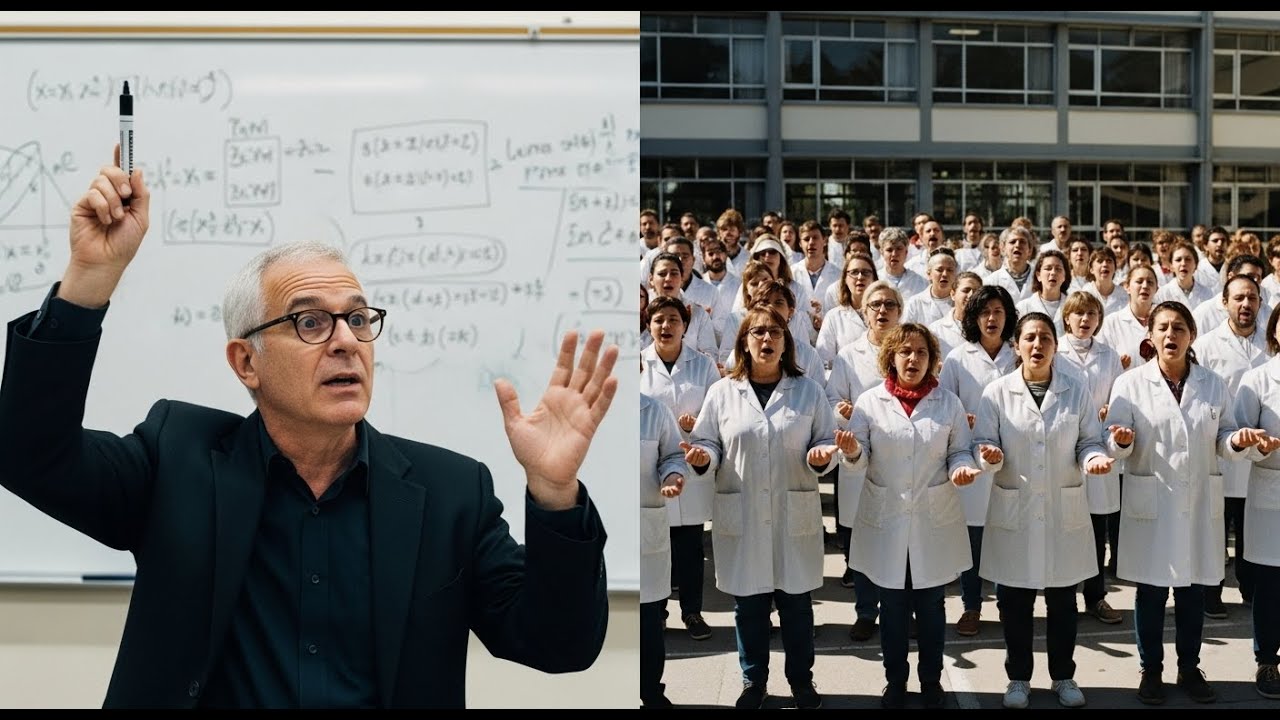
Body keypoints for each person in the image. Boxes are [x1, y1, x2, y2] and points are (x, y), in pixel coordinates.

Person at [0, 157, 619, 709]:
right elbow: (30, 454)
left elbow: (558, 645)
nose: (347, 340)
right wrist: (88, 282)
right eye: (311, 322)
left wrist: (554, 492)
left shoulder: (451, 493)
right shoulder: (177, 459)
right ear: (247, 362)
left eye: (357, 318)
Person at [684, 306, 854, 710]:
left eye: (774, 332)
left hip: (792, 513)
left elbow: (825, 444)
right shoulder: (723, 392)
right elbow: (708, 441)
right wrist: (701, 458)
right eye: (757, 332)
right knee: (749, 607)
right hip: (741, 513)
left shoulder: (808, 390)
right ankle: (752, 681)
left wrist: (821, 458)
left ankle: (802, 682)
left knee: (796, 606)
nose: (766, 339)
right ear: (744, 341)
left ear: (785, 341)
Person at [1106, 301, 1272, 705]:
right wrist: (1122, 442)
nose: (1170, 335)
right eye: (1162, 327)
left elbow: (1225, 435)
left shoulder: (1212, 384)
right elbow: (1113, 440)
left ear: (1191, 335)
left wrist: (1237, 441)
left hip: (1198, 502)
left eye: (1179, 328)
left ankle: (1188, 666)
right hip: (1153, 501)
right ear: (1150, 336)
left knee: (1193, 592)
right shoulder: (1130, 384)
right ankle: (1152, 670)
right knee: (1150, 592)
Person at [973, 312, 1115, 709]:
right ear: (1016, 345)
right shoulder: (996, 393)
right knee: (1014, 602)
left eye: (1046, 338)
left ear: (1056, 345)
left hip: (1060, 507)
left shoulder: (1076, 390)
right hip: (1014, 508)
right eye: (1030, 338)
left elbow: (1089, 440)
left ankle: (1063, 676)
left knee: (1062, 601)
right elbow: (983, 441)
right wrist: (989, 455)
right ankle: (1018, 677)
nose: (1038, 345)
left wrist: (1093, 460)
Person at [844, 323, 981, 709]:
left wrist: (961, 468)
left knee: (932, 607)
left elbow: (960, 450)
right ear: (891, 357)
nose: (913, 359)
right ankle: (895, 682)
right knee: (892, 608)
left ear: (931, 359)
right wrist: (853, 451)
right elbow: (859, 459)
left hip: (931, 518)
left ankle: (931, 682)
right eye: (905, 351)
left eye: (921, 352)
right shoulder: (870, 403)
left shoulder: (948, 403)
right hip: (886, 517)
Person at [938, 284, 1019, 637]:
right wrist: (964, 419)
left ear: (1008, 317)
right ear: (973, 317)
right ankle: (972, 606)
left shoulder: (1018, 354)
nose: (991, 319)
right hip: (972, 457)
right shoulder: (958, 358)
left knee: (1005, 533)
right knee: (973, 537)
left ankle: (1006, 605)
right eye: (985, 312)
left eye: (998, 312)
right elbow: (944, 405)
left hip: (1015, 457)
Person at [640, 296, 721, 642]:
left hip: (690, 461)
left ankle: (692, 612)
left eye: (673, 319)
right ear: (648, 325)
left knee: (690, 547)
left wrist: (697, 423)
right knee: (656, 547)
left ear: (685, 325)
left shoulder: (703, 366)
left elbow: (717, 412)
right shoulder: (639, 364)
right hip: (650, 470)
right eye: (658, 320)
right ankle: (656, 611)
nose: (666, 326)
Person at [1193, 275, 1270, 619]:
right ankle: (1211, 592)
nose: (1246, 304)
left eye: (1252, 298)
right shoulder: (1208, 345)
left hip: (1259, 451)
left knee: (1251, 524)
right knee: (1215, 527)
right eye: (1239, 298)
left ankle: (1250, 588)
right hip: (1219, 448)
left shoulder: (1270, 343)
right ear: (1224, 302)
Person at [1056, 292, 1125, 626]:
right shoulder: (1055, 352)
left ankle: (1096, 597)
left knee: (1097, 529)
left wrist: (1110, 409)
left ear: (1099, 319)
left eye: (1092, 314)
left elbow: (1117, 395)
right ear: (1066, 317)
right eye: (1078, 313)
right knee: (1066, 526)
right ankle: (1064, 595)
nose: (1085, 320)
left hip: (1098, 447)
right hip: (1063, 448)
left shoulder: (1108, 355)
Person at [1230, 304, 1280, 700]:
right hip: (1270, 488)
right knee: (1270, 584)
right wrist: (1258, 445)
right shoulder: (1258, 380)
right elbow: (1239, 439)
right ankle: (1267, 658)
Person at [639, 393, 688, 709]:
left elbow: (672, 455)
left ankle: (651, 692)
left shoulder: (653, 410)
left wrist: (672, 475)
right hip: (592, 530)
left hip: (643, 527)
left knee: (646, 621)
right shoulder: (574, 404)